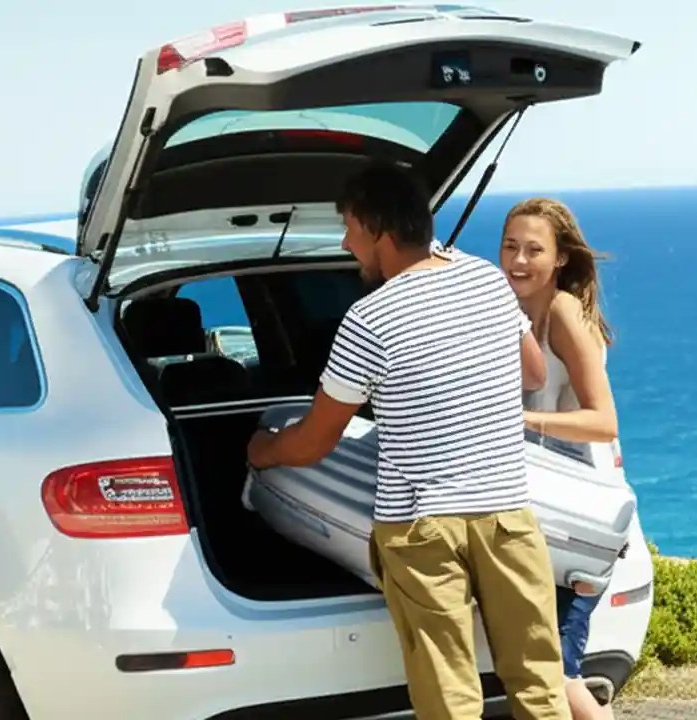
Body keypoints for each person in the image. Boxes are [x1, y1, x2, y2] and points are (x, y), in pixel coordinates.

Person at [246, 160, 571, 720]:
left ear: (379, 230)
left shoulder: (369, 320)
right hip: (507, 516)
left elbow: (313, 443)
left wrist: (261, 449)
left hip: (423, 530)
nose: (345, 244)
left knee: (450, 700)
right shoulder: (486, 280)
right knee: (540, 687)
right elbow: (533, 373)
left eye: (349, 228)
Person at [500, 197, 621, 720]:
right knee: (552, 669)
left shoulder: (564, 313)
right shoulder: (517, 312)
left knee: (556, 674)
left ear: (561, 258)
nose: (517, 261)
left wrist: (522, 421)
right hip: (546, 511)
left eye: (533, 250)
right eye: (509, 246)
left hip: (581, 517)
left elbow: (604, 421)